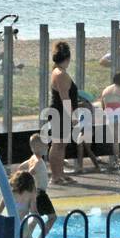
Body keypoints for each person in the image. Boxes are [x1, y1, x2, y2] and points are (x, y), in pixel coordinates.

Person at [48, 42, 78, 184]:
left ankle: (60, 173)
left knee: (62, 144)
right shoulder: (60, 74)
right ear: (68, 58)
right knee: (58, 144)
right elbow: (65, 98)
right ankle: (55, 176)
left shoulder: (58, 71)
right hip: (60, 113)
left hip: (60, 112)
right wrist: (72, 116)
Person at [19, 134, 57, 238]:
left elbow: (20, 167)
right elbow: (31, 171)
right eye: (45, 145)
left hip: (35, 194)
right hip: (40, 194)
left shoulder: (33, 158)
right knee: (52, 217)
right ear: (38, 147)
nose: (48, 146)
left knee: (35, 219)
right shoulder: (38, 161)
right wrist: (27, 177)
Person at [100, 71, 120, 164]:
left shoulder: (105, 90)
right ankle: (116, 160)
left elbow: (103, 105)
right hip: (118, 114)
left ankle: (112, 158)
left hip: (108, 112)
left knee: (112, 138)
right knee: (116, 139)